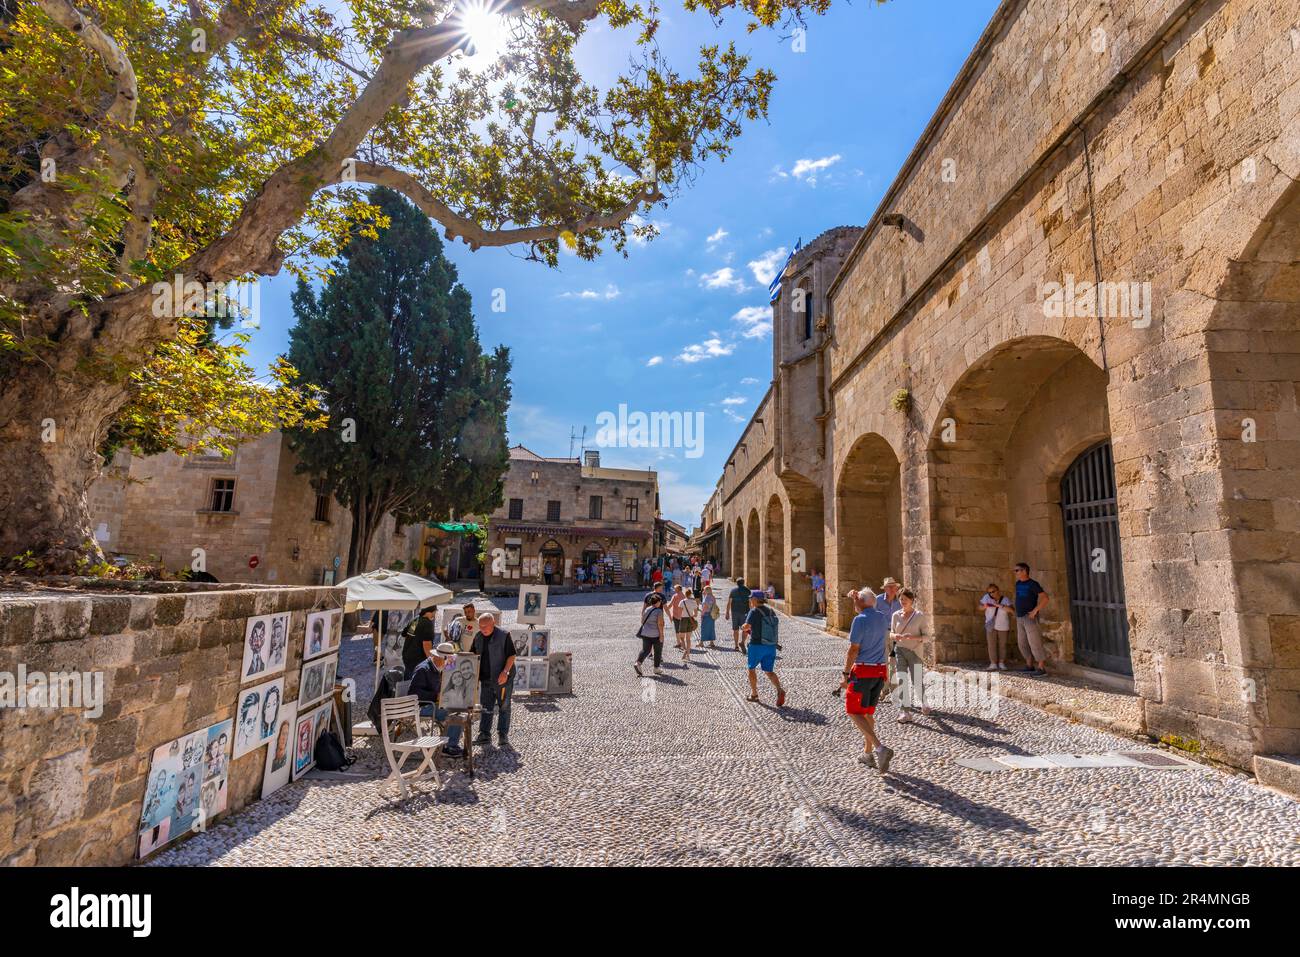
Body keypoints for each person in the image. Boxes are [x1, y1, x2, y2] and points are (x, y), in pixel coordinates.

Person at [841, 587, 894, 773]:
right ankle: (867, 753)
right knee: (868, 714)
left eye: (856, 601)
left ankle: (880, 748)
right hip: (879, 673)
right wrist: (857, 598)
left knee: (853, 711)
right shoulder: (881, 617)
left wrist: (846, 674)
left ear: (862, 602)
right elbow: (867, 605)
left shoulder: (859, 620)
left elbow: (854, 649)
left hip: (862, 671)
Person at [408, 641, 465, 757]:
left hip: (434, 704)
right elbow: (413, 694)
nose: (449, 662)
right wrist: (435, 696)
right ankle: (448, 746)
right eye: (447, 660)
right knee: (452, 713)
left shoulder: (439, 667)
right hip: (422, 707)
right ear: (438, 657)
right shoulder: (423, 669)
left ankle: (450, 742)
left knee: (460, 709)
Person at [471, 613, 517, 748]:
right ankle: (484, 734)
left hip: (503, 678)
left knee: (504, 706)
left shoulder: (504, 635)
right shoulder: (478, 636)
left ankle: (503, 734)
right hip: (486, 679)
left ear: (493, 623)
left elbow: (511, 655)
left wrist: (505, 672)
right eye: (480, 626)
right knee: (486, 706)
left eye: (485, 626)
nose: (483, 629)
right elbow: (473, 655)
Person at [889, 588, 931, 723]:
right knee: (902, 680)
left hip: (915, 652)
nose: (902, 602)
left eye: (905, 600)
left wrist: (913, 637)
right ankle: (905, 711)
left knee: (917, 680)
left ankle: (924, 702)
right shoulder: (895, 615)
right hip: (900, 650)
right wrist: (896, 636)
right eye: (901, 599)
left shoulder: (919, 616)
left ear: (912, 600)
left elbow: (927, 637)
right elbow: (891, 633)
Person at [742, 590, 786, 706]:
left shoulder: (754, 611)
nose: (750, 600)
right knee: (769, 671)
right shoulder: (771, 611)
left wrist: (743, 627)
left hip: (756, 645)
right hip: (770, 646)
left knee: (751, 669)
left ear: (755, 600)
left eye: (751, 598)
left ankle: (754, 694)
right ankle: (779, 690)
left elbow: (746, 627)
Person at [1013, 562, 1049, 676]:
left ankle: (1041, 668)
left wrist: (1035, 611)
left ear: (1024, 571)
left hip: (1029, 617)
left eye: (1017, 570)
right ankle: (1029, 665)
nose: (1015, 573)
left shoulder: (1033, 584)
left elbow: (1045, 598)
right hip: (1019, 617)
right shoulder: (1017, 583)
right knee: (1022, 643)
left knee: (1035, 642)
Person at [978, 584, 1013, 671]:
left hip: (1003, 625)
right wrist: (984, 606)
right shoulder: (986, 597)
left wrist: (1000, 605)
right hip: (991, 625)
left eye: (993, 591)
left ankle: (1001, 663)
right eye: (989, 592)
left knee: (1002, 645)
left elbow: (1012, 610)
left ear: (998, 590)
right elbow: (979, 607)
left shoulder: (1005, 599)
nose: (991, 594)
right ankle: (993, 663)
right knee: (991, 645)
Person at [402, 605, 439, 678]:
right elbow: (426, 645)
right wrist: (432, 663)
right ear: (431, 611)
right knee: (416, 685)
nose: (434, 615)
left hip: (407, 658)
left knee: (407, 684)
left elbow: (405, 634)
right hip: (418, 661)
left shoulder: (415, 620)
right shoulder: (427, 624)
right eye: (434, 612)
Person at [635, 592, 666, 676]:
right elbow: (660, 624)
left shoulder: (647, 609)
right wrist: (661, 635)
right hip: (655, 634)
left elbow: (642, 621)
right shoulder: (659, 611)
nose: (660, 603)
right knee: (657, 651)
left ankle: (638, 663)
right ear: (657, 602)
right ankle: (656, 668)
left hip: (645, 633)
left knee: (645, 650)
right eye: (660, 602)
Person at [728, 577, 751, 651]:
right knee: (746, 629)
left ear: (736, 583)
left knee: (735, 629)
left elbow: (729, 602)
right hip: (745, 612)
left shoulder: (733, 591)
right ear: (743, 583)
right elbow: (750, 603)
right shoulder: (747, 590)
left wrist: (727, 612)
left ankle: (736, 646)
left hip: (735, 612)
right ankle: (742, 642)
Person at [699, 584, 718, 649]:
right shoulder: (713, 597)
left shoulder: (707, 597)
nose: (703, 590)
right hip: (712, 614)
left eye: (704, 589)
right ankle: (711, 642)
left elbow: (705, 607)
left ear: (707, 590)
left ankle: (701, 642)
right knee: (711, 628)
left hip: (706, 614)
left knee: (703, 628)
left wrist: (702, 614)